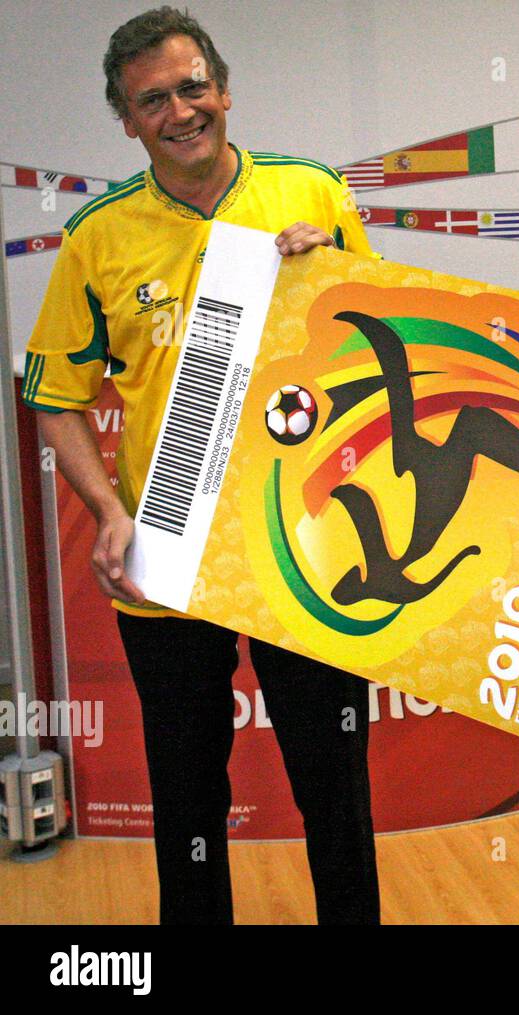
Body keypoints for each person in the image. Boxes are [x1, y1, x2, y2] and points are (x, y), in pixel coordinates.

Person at [24, 6, 380, 924]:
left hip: (303, 539)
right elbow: (54, 398)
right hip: (168, 557)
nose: (180, 111)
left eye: (193, 87)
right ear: (127, 120)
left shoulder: (312, 192)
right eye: (154, 100)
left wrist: (331, 276)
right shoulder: (98, 238)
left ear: (223, 89)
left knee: (335, 789)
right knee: (187, 797)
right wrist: (107, 511)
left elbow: (378, 340)